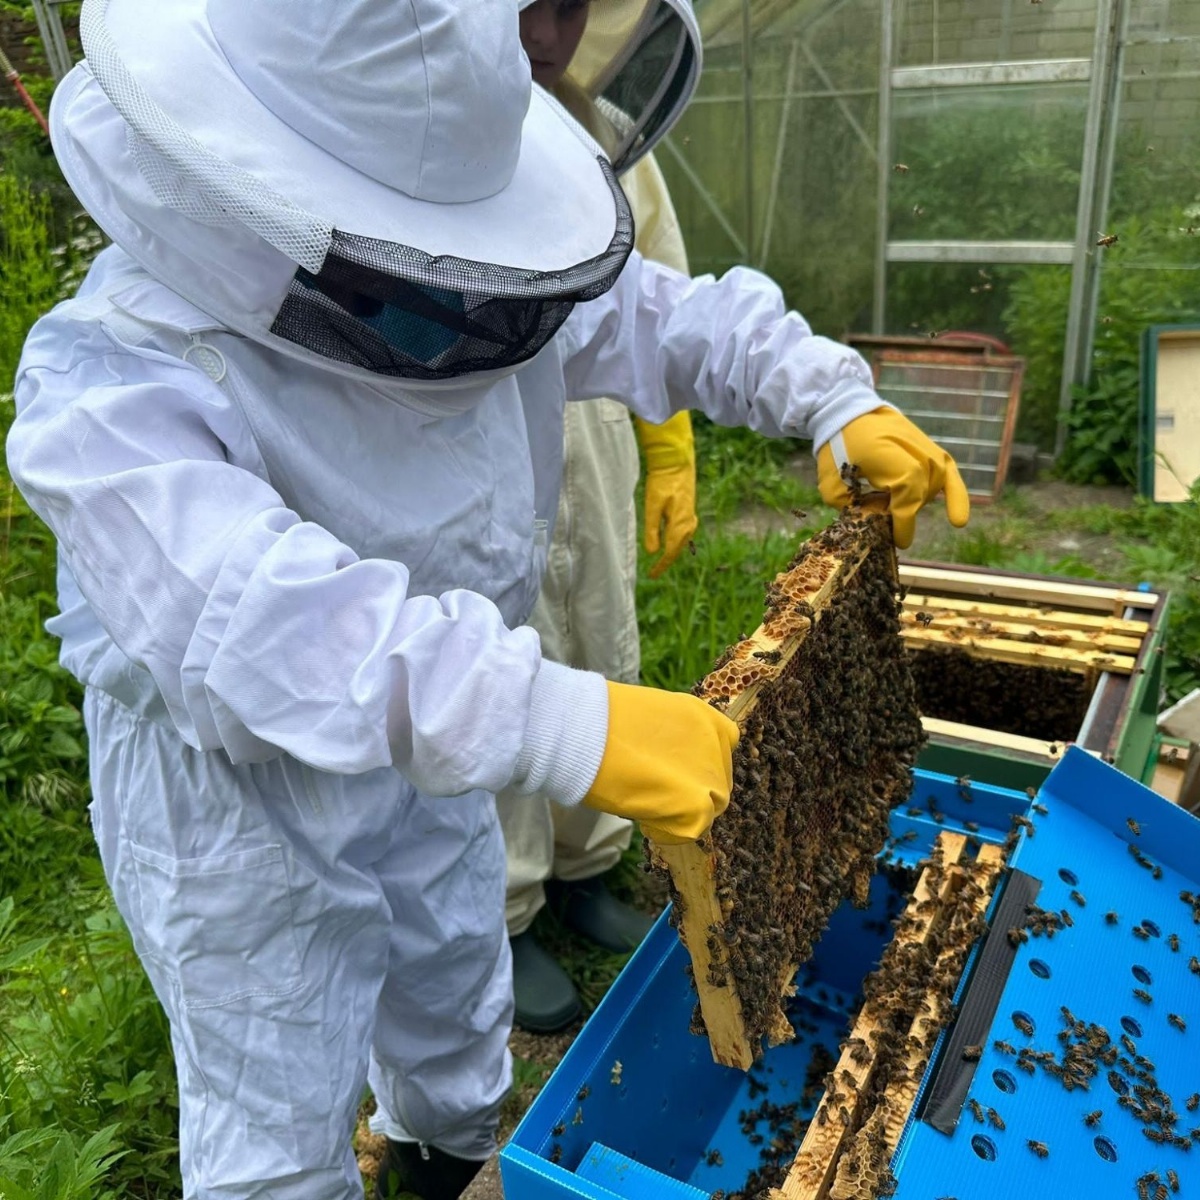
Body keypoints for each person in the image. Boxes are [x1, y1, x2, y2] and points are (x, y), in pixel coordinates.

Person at [6, 1, 969, 1198]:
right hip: (241, 809)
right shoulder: (112, 384)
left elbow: (663, 315)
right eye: (384, 249)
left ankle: (440, 1158)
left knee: (457, 979)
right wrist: (575, 725)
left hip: (440, 745)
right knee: (273, 1093)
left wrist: (827, 394)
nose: (428, 301)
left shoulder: (483, 288)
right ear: (245, 183)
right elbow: (264, 624)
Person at [498, 0, 702, 1035]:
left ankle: (586, 867)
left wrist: (669, 446)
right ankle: (509, 910)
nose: (549, 30)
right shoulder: (416, 129)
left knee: (600, 645)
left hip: (601, 435)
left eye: (571, 7)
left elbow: (663, 284)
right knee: (505, 666)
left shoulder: (609, 131)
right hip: (489, 451)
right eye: (529, 4)